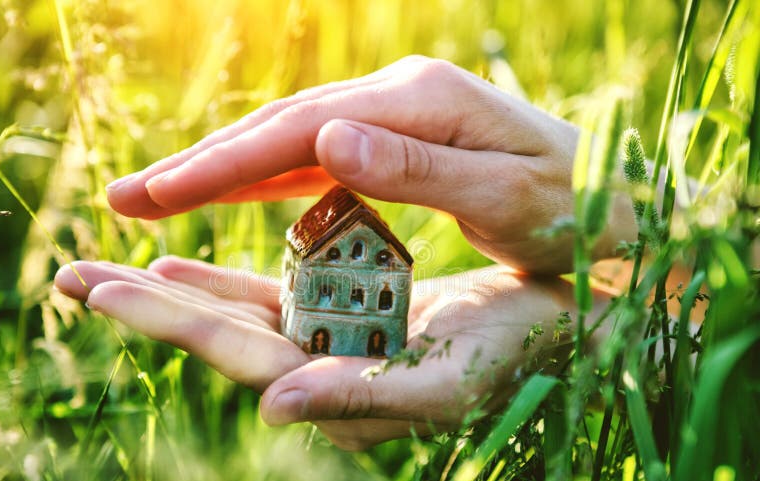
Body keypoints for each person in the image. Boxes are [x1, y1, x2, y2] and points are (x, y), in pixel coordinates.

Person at [54, 56, 625, 451]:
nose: (368, 265)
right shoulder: (334, 248)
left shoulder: (381, 256)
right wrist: (591, 321)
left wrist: (611, 224)